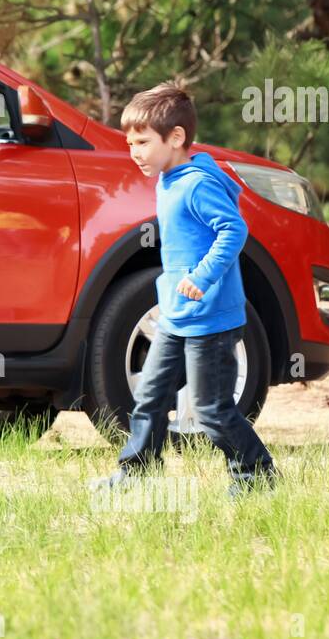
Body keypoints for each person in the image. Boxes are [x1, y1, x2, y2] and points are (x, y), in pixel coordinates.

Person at [91, 81, 279, 498]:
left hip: (210, 317)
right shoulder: (168, 180)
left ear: (175, 138)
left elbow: (233, 230)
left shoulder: (196, 184)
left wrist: (202, 276)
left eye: (142, 141)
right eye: (129, 143)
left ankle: (256, 474)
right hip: (176, 314)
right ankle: (137, 471)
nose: (133, 151)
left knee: (212, 410)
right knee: (151, 397)